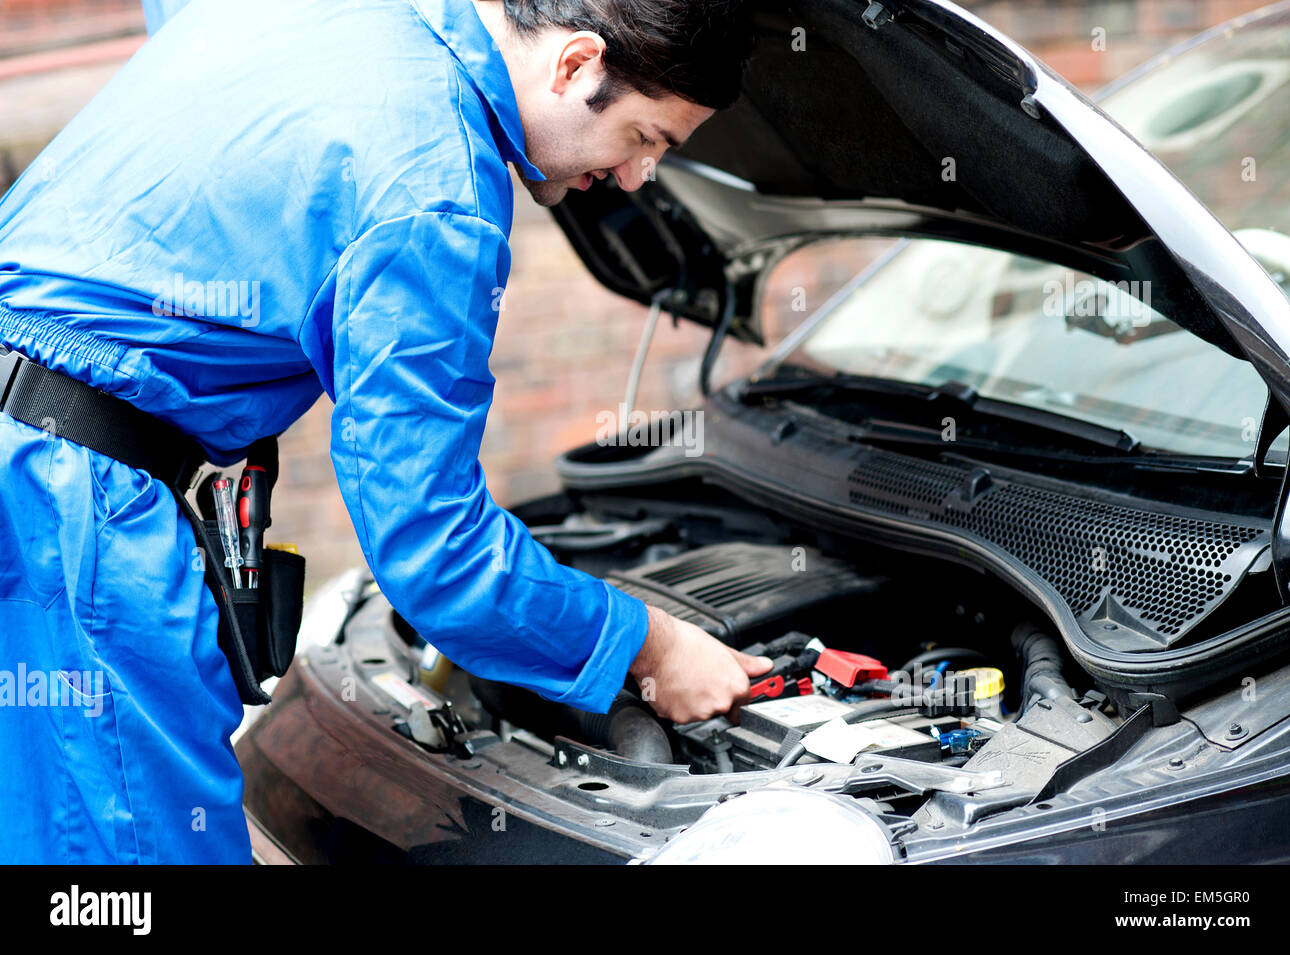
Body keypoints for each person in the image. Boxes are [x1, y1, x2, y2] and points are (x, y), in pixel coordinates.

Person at [0, 0, 769, 864]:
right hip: (66, 511)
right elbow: (435, 547)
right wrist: (647, 643)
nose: (638, 179)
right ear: (574, 65)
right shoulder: (435, 193)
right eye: (642, 137)